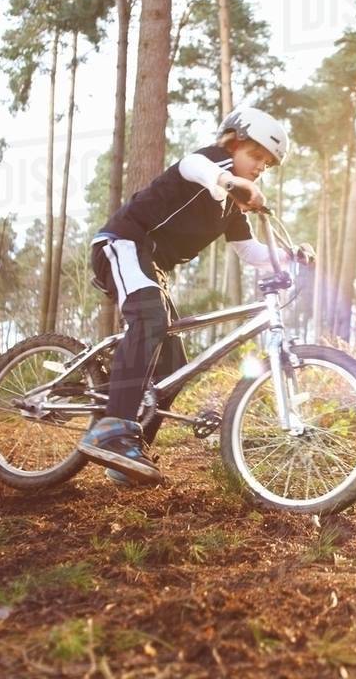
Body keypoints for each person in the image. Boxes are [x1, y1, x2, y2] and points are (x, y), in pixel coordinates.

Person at [81, 106, 290, 485]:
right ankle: (111, 431)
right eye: (255, 155)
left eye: (267, 164)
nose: (260, 167)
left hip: (151, 266)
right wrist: (228, 180)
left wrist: (293, 257)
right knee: (149, 319)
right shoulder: (213, 163)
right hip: (124, 242)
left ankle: (128, 455)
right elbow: (193, 165)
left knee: (173, 365)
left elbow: (250, 252)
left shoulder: (230, 208)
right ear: (233, 143)